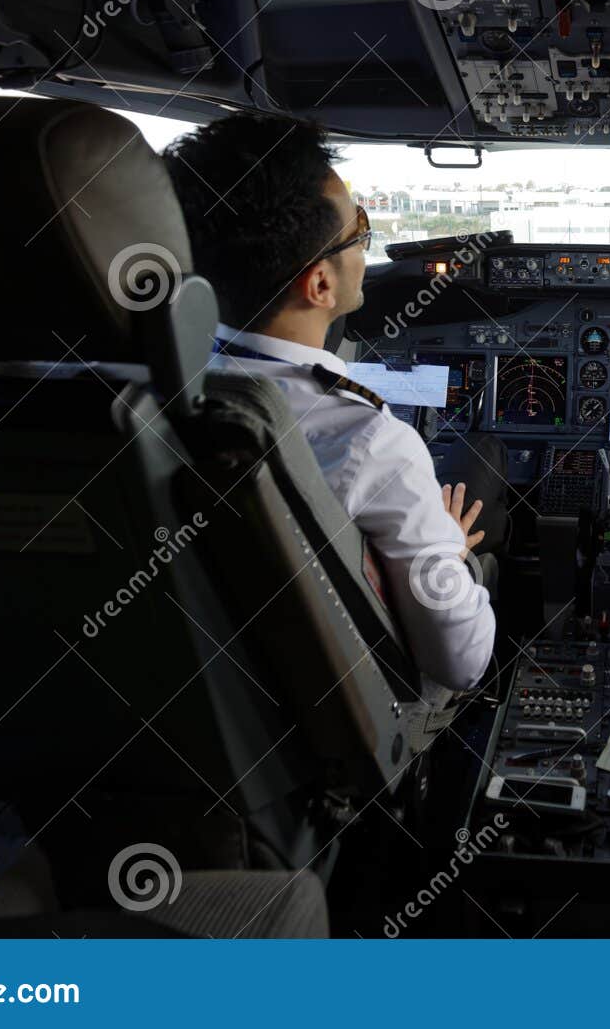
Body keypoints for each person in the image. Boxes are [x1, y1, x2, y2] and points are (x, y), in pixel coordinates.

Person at [164, 115, 503, 693]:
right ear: (320, 285)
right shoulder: (370, 440)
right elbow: (462, 664)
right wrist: (448, 542)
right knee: (488, 481)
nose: (366, 244)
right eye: (360, 229)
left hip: (200, 691)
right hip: (345, 718)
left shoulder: (152, 388)